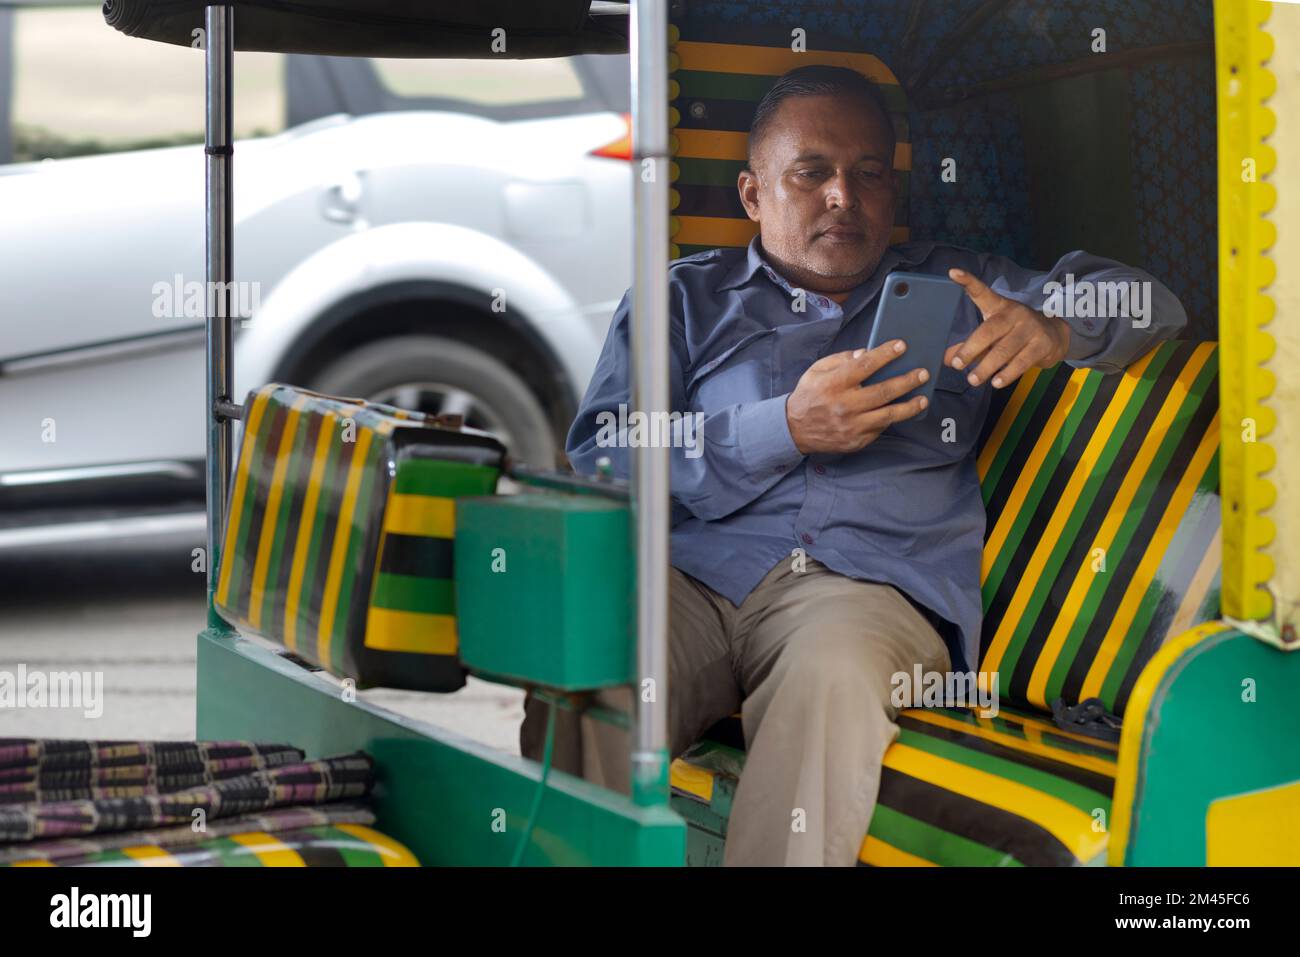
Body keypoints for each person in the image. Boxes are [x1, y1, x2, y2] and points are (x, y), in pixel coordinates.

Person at [520, 64, 1187, 866]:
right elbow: (605, 454)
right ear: (752, 195)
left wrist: (1054, 326)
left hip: (866, 593)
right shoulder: (684, 300)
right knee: (591, 661)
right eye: (812, 173)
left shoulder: (961, 286)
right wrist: (784, 427)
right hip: (696, 582)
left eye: (869, 173)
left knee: (827, 680)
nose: (844, 194)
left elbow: (1151, 303)